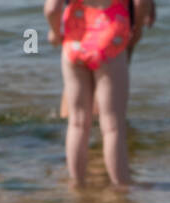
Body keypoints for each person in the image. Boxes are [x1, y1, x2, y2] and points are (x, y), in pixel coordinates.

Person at [46, 0, 155, 185]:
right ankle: (121, 185)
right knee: (112, 127)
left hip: (75, 37)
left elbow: (51, 8)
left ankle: (76, 182)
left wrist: (55, 32)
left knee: (77, 124)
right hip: (110, 36)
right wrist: (136, 32)